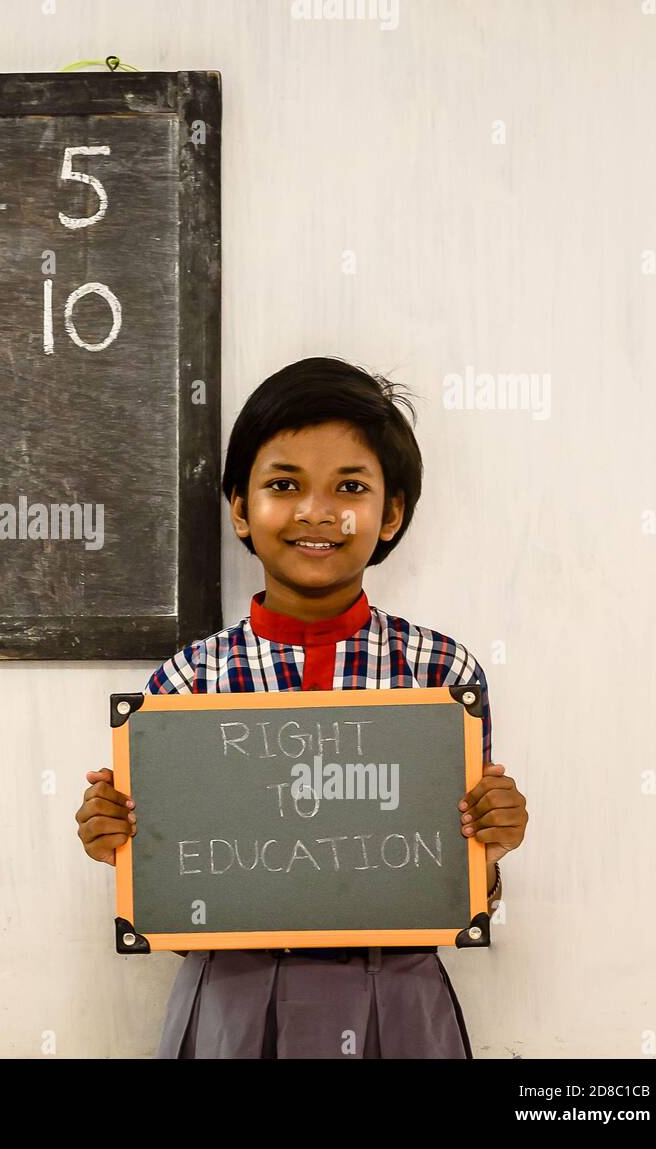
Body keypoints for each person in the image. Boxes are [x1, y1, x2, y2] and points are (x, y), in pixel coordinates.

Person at [75, 356, 529, 1058]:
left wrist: (490, 854)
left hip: (398, 1000)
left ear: (392, 512)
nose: (317, 511)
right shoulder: (183, 686)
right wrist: (122, 843)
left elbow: (458, 881)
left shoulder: (443, 675)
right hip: (232, 1000)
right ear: (239, 508)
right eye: (283, 484)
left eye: (350, 486)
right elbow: (177, 894)